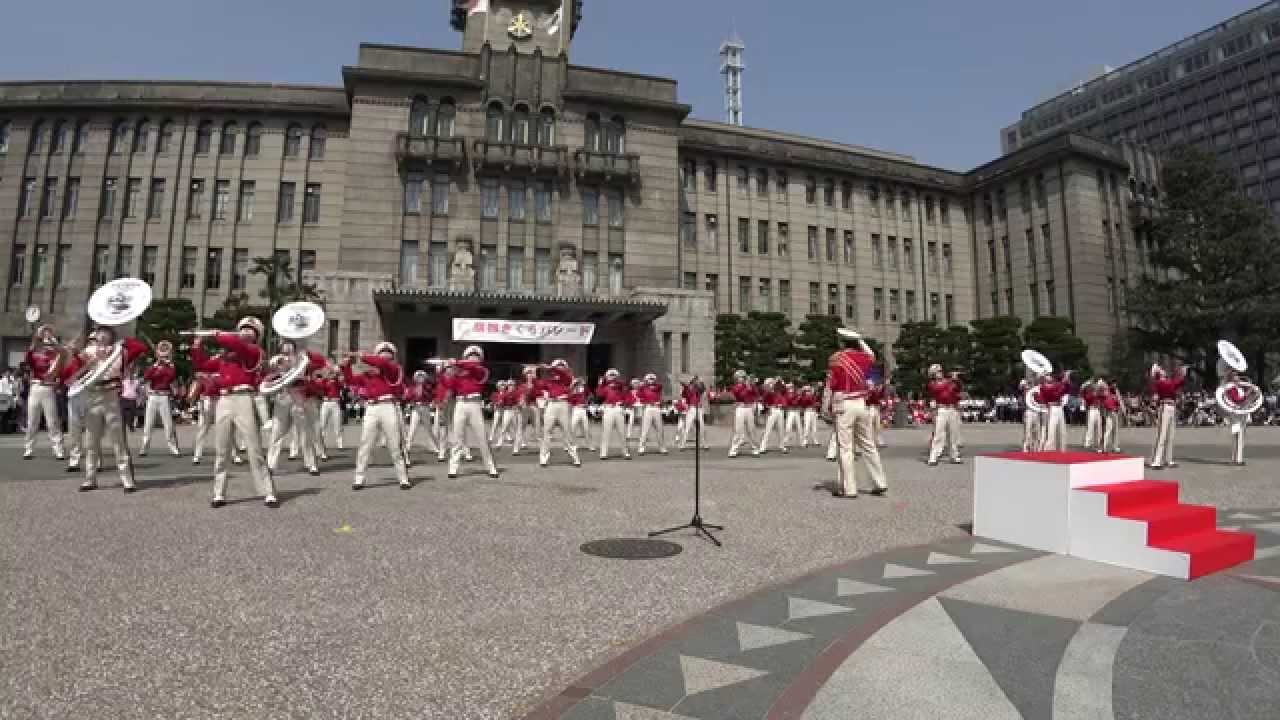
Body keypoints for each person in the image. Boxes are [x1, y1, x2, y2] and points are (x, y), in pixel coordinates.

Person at [190, 318, 278, 508]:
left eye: (251, 330)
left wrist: (217, 334)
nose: (246, 332)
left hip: (243, 397)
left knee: (254, 447)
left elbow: (237, 344)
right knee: (222, 448)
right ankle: (218, 493)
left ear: (257, 336)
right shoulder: (225, 355)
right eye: (243, 329)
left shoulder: (254, 351)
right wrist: (197, 345)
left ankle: (268, 491)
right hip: (224, 399)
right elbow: (203, 365)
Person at [62, 327, 148, 493]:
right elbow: (69, 373)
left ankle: (127, 480)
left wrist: (124, 339)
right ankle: (90, 478)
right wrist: (72, 355)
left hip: (111, 398)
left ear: (111, 336)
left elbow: (140, 348)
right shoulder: (88, 352)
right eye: (98, 332)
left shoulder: (120, 352)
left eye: (104, 332)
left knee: (118, 441)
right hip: (92, 397)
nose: (100, 335)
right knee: (91, 441)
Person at [822, 328, 888, 498]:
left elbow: (830, 386)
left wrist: (824, 407)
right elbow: (872, 355)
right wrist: (860, 339)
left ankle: (849, 488)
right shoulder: (865, 358)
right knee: (868, 445)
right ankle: (880, 482)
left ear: (841, 342)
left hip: (843, 405)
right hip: (861, 404)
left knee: (845, 448)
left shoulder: (836, 359)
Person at [342, 342, 411, 490]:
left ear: (392, 356)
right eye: (382, 352)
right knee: (365, 443)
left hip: (388, 406)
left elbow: (382, 364)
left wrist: (363, 356)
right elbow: (350, 380)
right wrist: (346, 366)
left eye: (388, 352)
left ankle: (403, 478)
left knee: (394, 443)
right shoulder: (368, 374)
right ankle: (359, 478)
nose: (385, 354)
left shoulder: (393, 369)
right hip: (371, 408)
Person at [266, 341, 326, 476]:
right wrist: (276, 368)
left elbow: (320, 363)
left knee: (305, 432)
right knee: (277, 432)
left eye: (289, 345)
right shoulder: (276, 359)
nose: (287, 348)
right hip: (282, 397)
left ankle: (311, 464)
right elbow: (269, 373)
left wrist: (307, 353)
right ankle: (270, 464)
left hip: (298, 395)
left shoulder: (302, 359)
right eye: (284, 346)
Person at [442, 345, 499, 478]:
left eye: (476, 356)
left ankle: (490, 467)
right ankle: (453, 468)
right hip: (461, 403)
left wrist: (456, 363)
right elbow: (449, 386)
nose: (473, 358)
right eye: (470, 356)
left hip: (474, 404)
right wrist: (446, 372)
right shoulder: (459, 372)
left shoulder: (482, 370)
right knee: (457, 437)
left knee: (482, 437)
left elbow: (474, 366)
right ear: (466, 357)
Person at [23, 325, 66, 460]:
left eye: (49, 343)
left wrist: (52, 339)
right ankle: (28, 449)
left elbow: (63, 352)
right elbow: (28, 355)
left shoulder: (56, 357)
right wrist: (38, 335)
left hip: (48, 388)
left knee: (52, 421)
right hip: (35, 388)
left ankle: (58, 449)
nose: (46, 345)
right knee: (32, 421)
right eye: (44, 343)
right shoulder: (34, 355)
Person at [138, 340, 181, 457]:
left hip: (164, 396)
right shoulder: (153, 366)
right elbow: (147, 377)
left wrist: (166, 365)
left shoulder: (171, 367)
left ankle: (173, 447)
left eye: (166, 354)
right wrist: (156, 365)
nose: (163, 356)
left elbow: (171, 377)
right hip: (152, 396)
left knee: (168, 424)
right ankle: (144, 448)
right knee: (148, 423)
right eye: (161, 353)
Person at [539, 359, 581, 467]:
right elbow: (541, 389)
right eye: (558, 365)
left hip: (563, 404)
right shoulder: (548, 380)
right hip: (551, 405)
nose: (560, 367)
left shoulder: (567, 377)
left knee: (567, 431)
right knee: (547, 432)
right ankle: (544, 458)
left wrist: (550, 367)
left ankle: (575, 457)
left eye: (562, 365)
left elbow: (563, 375)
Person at [1148, 362, 1186, 469]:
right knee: (1162, 435)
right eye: (1160, 369)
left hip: (1171, 407)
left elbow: (1177, 384)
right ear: (1158, 373)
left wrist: (1182, 375)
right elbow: (1174, 384)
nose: (1163, 370)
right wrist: (1181, 374)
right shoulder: (1160, 382)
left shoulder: (1166, 381)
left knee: (1170, 435)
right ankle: (1156, 461)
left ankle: (1168, 459)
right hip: (1164, 407)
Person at [925, 364, 964, 465]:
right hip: (941, 409)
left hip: (952, 408)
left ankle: (954, 456)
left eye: (940, 371)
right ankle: (933, 457)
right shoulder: (932, 384)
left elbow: (958, 389)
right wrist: (951, 380)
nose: (940, 373)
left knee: (953, 434)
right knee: (938, 434)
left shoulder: (949, 381)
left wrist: (957, 380)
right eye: (937, 371)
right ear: (933, 374)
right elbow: (939, 389)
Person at [596, 369, 632, 460]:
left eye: (614, 375)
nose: (612, 377)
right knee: (606, 432)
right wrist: (601, 383)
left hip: (618, 408)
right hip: (608, 408)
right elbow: (599, 395)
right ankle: (603, 453)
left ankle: (625, 451)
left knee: (622, 432)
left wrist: (624, 404)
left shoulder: (621, 385)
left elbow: (627, 396)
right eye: (610, 375)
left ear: (617, 376)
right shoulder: (605, 386)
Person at [1220, 369, 1252, 466]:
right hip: (1236, 414)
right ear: (1232, 378)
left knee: (1240, 436)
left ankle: (1237, 458)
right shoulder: (1231, 387)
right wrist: (1248, 393)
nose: (1238, 378)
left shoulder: (1237, 387)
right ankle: (1235, 459)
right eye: (1236, 376)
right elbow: (1236, 399)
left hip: (1241, 413)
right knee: (1237, 435)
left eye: (1237, 376)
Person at [404, 370, 440, 457]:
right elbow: (408, 397)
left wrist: (431, 400)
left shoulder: (428, 386)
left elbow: (432, 395)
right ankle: (407, 447)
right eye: (418, 376)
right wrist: (410, 400)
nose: (420, 378)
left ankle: (435, 446)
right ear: (415, 378)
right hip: (416, 409)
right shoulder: (412, 387)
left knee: (429, 429)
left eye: (422, 376)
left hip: (425, 408)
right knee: (412, 429)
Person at [727, 370, 761, 458]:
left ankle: (755, 449)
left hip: (749, 408)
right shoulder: (735, 387)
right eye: (740, 377)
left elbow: (757, 394)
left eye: (743, 377)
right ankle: (733, 450)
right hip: (740, 408)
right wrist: (747, 386)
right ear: (736, 379)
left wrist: (752, 385)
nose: (741, 379)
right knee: (738, 429)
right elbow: (741, 395)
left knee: (751, 429)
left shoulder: (749, 385)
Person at [1037, 370, 1072, 451]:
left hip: (1059, 408)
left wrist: (1067, 380)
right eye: (1047, 375)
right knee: (1051, 430)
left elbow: (1066, 390)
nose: (1050, 376)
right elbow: (1054, 393)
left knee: (1062, 430)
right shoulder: (1043, 387)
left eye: (1049, 375)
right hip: (1052, 409)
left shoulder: (1056, 384)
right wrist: (1064, 380)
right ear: (1043, 378)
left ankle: (1062, 449)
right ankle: (1048, 449)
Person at [634, 372, 667, 455]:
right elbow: (638, 395)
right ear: (646, 380)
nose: (651, 380)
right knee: (645, 429)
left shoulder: (657, 386)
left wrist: (645, 384)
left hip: (656, 407)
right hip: (648, 408)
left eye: (652, 379)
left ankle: (662, 447)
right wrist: (642, 385)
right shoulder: (643, 387)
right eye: (649, 379)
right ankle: (641, 447)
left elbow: (659, 386)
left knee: (659, 429)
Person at [676, 376, 711, 450]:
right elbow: (685, 391)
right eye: (694, 381)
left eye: (696, 381)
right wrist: (683, 383)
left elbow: (703, 390)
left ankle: (704, 444)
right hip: (692, 409)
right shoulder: (689, 389)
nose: (695, 383)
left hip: (699, 409)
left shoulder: (699, 389)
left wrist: (699, 382)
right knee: (687, 427)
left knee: (702, 427)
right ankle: (683, 444)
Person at [316, 367, 345, 451]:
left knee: (337, 424)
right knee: (323, 424)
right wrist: (326, 377)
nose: (331, 374)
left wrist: (337, 374)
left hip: (335, 403)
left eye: (332, 373)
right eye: (330, 373)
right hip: (325, 403)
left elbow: (341, 384)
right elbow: (320, 387)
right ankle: (322, 443)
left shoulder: (337, 381)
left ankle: (340, 444)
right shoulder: (324, 381)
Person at [758, 378, 789, 454]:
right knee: (768, 429)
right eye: (771, 383)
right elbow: (764, 400)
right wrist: (767, 407)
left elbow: (784, 389)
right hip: (772, 410)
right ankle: (762, 447)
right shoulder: (768, 392)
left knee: (781, 429)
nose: (773, 384)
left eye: (773, 383)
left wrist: (779, 381)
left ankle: (782, 446)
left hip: (780, 410)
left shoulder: (780, 391)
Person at [568, 377, 594, 451]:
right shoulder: (573, 390)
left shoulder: (585, 389)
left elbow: (591, 395)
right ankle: (572, 444)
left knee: (586, 428)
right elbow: (570, 399)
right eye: (578, 383)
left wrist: (587, 402)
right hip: (576, 409)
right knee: (573, 427)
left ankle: (589, 445)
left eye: (581, 383)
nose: (580, 384)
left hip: (583, 410)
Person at [1020, 378, 1046, 452]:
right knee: (1027, 430)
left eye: (1032, 383)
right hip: (1028, 412)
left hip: (1036, 412)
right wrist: (1025, 385)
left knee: (1036, 431)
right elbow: (1021, 387)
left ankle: (1035, 447)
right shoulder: (1026, 391)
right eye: (1030, 383)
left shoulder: (1037, 392)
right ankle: (1025, 447)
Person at [1098, 379, 1121, 453]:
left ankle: (1115, 447)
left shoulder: (1115, 394)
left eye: (1115, 384)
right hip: (1109, 413)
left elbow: (1118, 404)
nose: (1115, 385)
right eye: (1113, 384)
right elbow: (1104, 402)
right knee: (1107, 431)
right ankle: (1103, 447)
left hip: (1115, 413)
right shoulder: (1105, 393)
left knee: (1115, 431)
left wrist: (1117, 408)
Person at [1081, 378, 1102, 451]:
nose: (1094, 385)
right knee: (1090, 427)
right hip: (1091, 410)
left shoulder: (1097, 392)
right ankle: (1087, 443)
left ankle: (1098, 442)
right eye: (1093, 384)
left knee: (1098, 427)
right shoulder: (1088, 393)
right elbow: (1085, 396)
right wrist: (1086, 385)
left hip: (1097, 410)